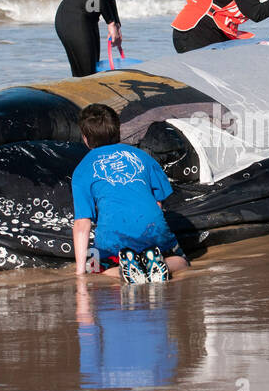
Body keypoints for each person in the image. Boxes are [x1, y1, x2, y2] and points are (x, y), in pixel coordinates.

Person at [71, 103, 190, 283]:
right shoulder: (143, 157)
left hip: (113, 240)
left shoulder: (82, 170)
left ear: (85, 138)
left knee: (92, 267)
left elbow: (82, 223)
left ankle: (122, 270)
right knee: (182, 261)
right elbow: (158, 203)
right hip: (153, 232)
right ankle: (162, 265)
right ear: (118, 131)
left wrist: (80, 274)